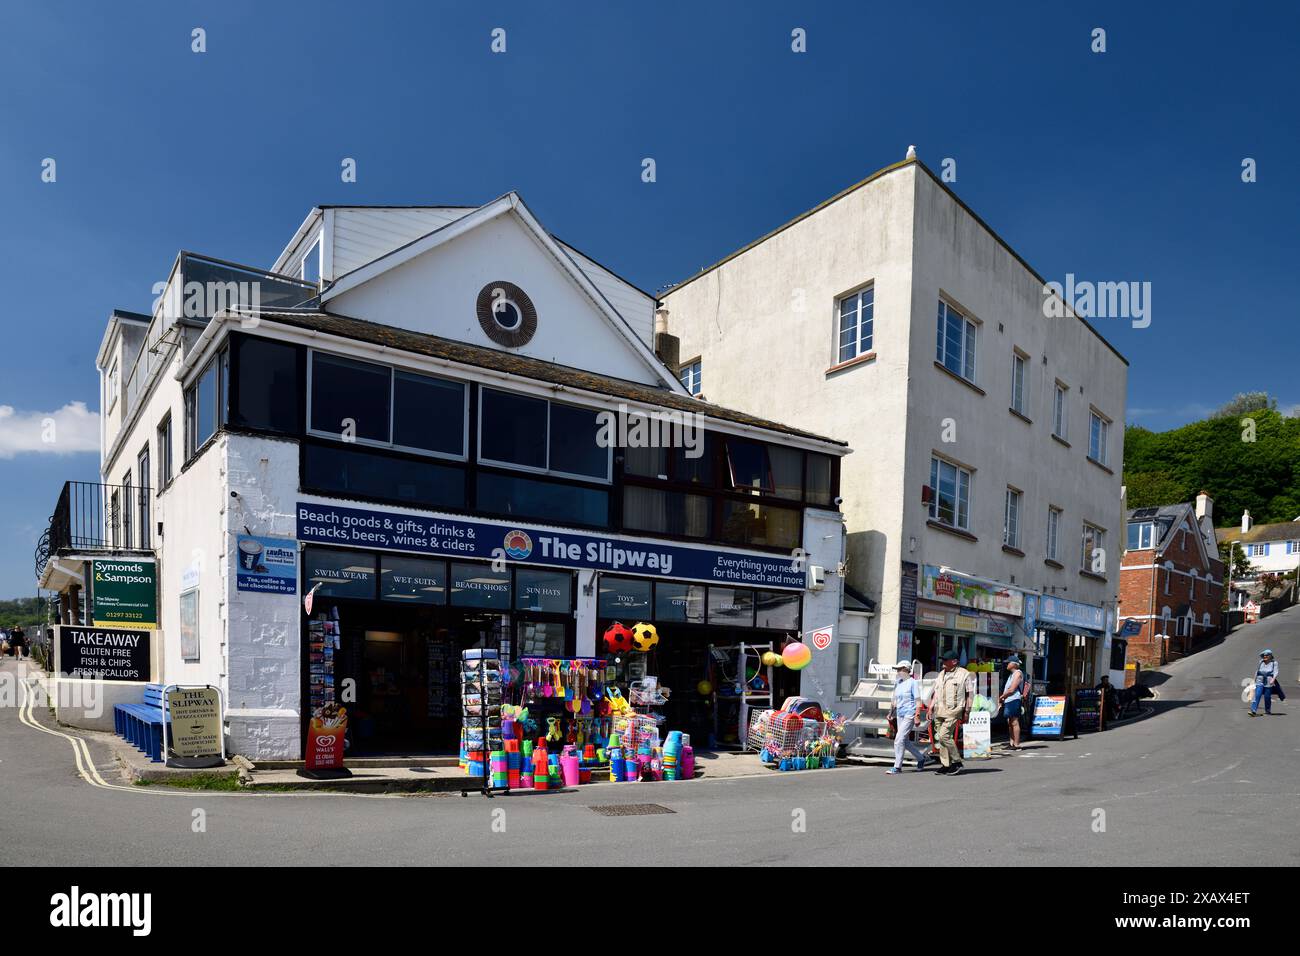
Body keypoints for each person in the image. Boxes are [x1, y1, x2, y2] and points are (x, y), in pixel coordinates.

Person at [929, 651, 974, 775]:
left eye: (945, 660)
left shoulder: (964, 674)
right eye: (943, 660)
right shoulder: (941, 674)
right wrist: (931, 707)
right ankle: (946, 764)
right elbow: (936, 692)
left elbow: (970, 694)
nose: (943, 662)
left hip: (954, 710)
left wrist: (967, 711)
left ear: (954, 661)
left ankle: (957, 762)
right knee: (941, 739)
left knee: (944, 736)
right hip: (940, 710)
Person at [886, 662, 928, 775]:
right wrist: (891, 713)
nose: (897, 672)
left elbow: (918, 701)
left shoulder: (913, 683)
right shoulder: (898, 683)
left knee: (899, 739)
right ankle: (921, 758)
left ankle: (897, 767)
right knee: (905, 741)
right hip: (900, 714)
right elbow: (894, 700)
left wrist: (917, 716)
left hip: (910, 714)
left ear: (906, 670)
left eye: (899, 669)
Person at [998, 658, 1027, 749]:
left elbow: (1012, 689)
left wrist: (1002, 697)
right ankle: (1012, 742)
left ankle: (1017, 744)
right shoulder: (1012, 674)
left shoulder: (1018, 673)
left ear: (1014, 664)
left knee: (1014, 721)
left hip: (1014, 699)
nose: (1006, 664)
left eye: (1008, 663)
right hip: (1008, 700)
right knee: (1009, 721)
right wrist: (1004, 698)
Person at [1250, 649, 1279, 716]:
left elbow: (1276, 672)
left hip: (1269, 681)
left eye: (1266, 655)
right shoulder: (1261, 662)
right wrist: (1254, 679)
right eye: (1264, 655)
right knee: (1257, 694)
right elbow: (1257, 671)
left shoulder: (1274, 663)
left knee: (1267, 696)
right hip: (1259, 680)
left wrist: (1273, 679)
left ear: (1270, 656)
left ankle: (1268, 711)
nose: (1265, 656)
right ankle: (1253, 710)